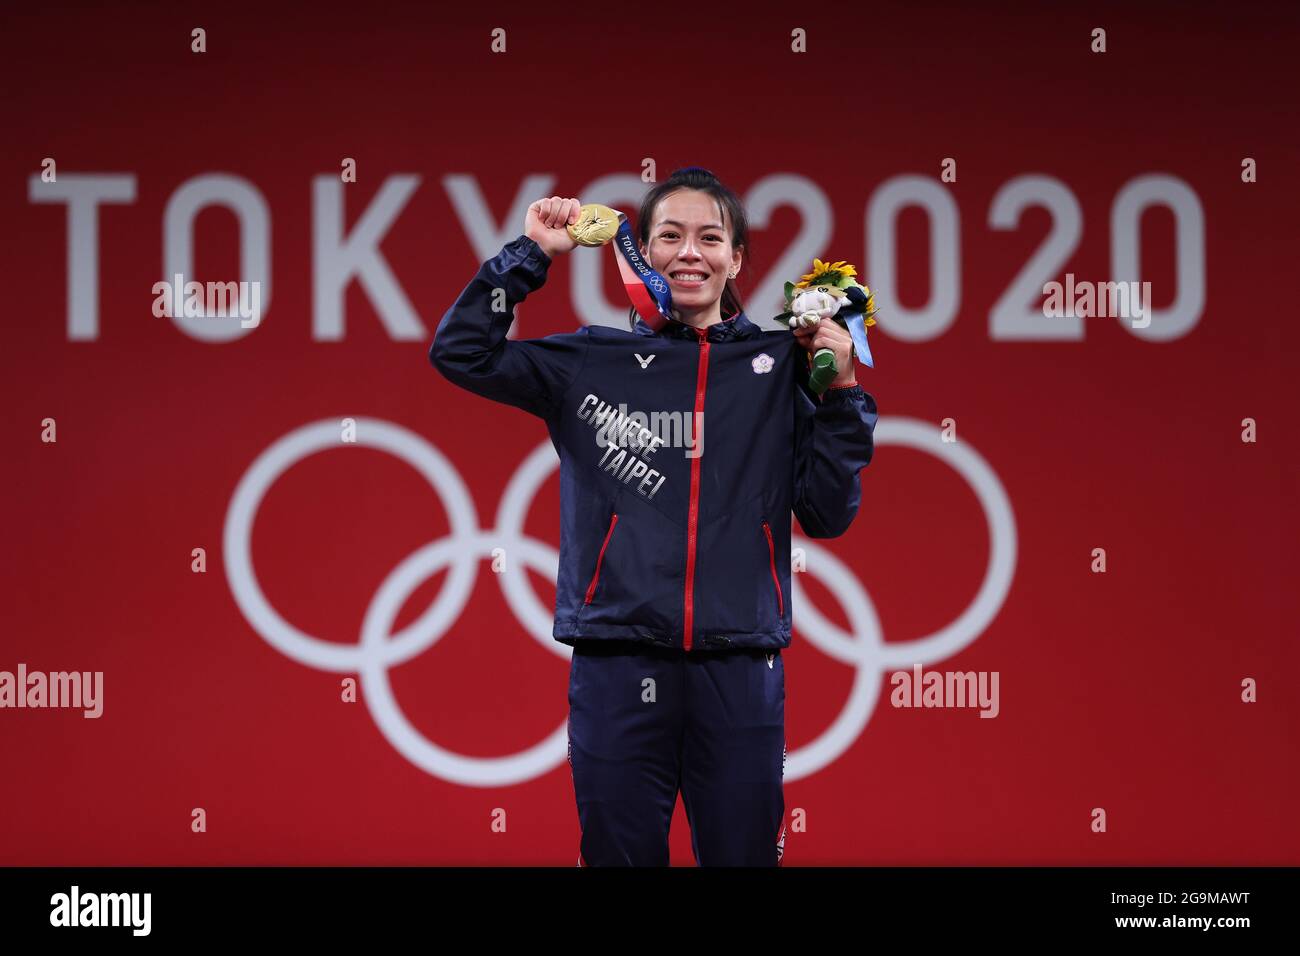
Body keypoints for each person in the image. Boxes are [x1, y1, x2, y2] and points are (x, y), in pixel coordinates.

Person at [429, 166, 877, 866]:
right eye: (669, 236)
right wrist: (531, 253)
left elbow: (826, 514)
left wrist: (842, 392)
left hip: (738, 665)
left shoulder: (777, 366)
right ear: (641, 251)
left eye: (710, 238)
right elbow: (461, 351)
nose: (689, 252)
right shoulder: (592, 361)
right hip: (617, 658)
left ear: (736, 259)